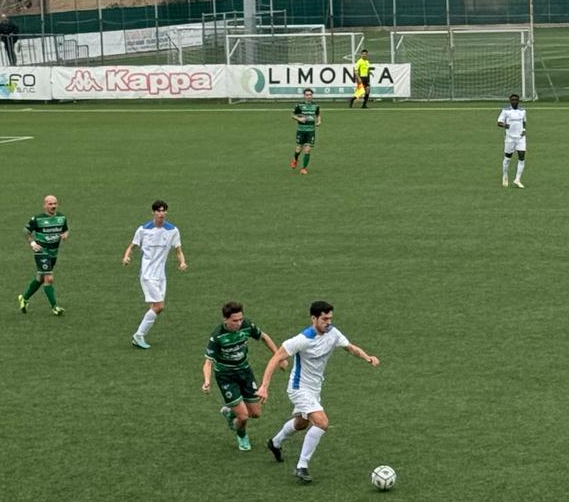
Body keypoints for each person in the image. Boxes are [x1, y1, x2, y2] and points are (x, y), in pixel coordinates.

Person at [258, 300, 380, 484]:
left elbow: (350, 348)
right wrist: (264, 386)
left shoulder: (333, 333)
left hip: (315, 389)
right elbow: (276, 358)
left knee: (301, 424)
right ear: (313, 318)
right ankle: (302, 466)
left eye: (330, 318)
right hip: (299, 388)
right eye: (324, 319)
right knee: (322, 422)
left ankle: (275, 442)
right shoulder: (301, 340)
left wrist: (367, 357)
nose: (328, 322)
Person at [200, 301, 285, 452]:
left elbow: (264, 337)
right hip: (226, 376)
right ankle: (242, 435)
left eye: (240, 319)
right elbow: (208, 363)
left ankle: (229, 411)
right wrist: (207, 381)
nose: (239, 323)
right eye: (235, 320)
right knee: (244, 417)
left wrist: (279, 356)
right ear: (225, 319)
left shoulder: (247, 325)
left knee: (256, 413)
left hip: (245, 372)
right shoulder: (217, 336)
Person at [122, 200, 187, 349]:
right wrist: (126, 257)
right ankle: (138, 335)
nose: (161, 213)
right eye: (158, 211)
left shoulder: (172, 231)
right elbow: (131, 247)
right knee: (159, 306)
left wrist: (182, 262)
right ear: (154, 213)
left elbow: (178, 250)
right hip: (147, 274)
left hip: (161, 276)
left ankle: (139, 335)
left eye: (163, 211)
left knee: (154, 306)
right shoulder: (143, 230)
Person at [19, 194, 69, 315]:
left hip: (53, 253)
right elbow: (26, 230)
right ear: (44, 205)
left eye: (55, 204)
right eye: (50, 204)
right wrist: (32, 243)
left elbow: (65, 229)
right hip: (41, 251)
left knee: (40, 278)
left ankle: (24, 299)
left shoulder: (62, 218)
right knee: (49, 278)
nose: (53, 206)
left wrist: (66, 234)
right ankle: (55, 307)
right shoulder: (38, 219)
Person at [498, 92, 527, 188]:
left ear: (518, 101)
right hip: (509, 138)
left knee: (522, 157)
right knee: (507, 158)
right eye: (512, 100)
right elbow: (499, 122)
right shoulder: (505, 111)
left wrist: (524, 130)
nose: (514, 101)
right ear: (510, 101)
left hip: (520, 138)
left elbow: (524, 122)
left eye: (516, 100)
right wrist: (505, 125)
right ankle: (505, 175)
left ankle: (517, 179)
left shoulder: (523, 111)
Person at [290, 89, 321, 173]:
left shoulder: (316, 106)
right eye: (307, 95)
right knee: (298, 149)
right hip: (301, 130)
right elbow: (292, 115)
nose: (308, 96)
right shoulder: (299, 105)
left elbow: (318, 114)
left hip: (311, 131)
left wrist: (319, 121)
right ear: (304, 96)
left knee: (307, 150)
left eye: (310, 95)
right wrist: (299, 118)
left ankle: (303, 168)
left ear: (312, 96)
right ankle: (295, 159)